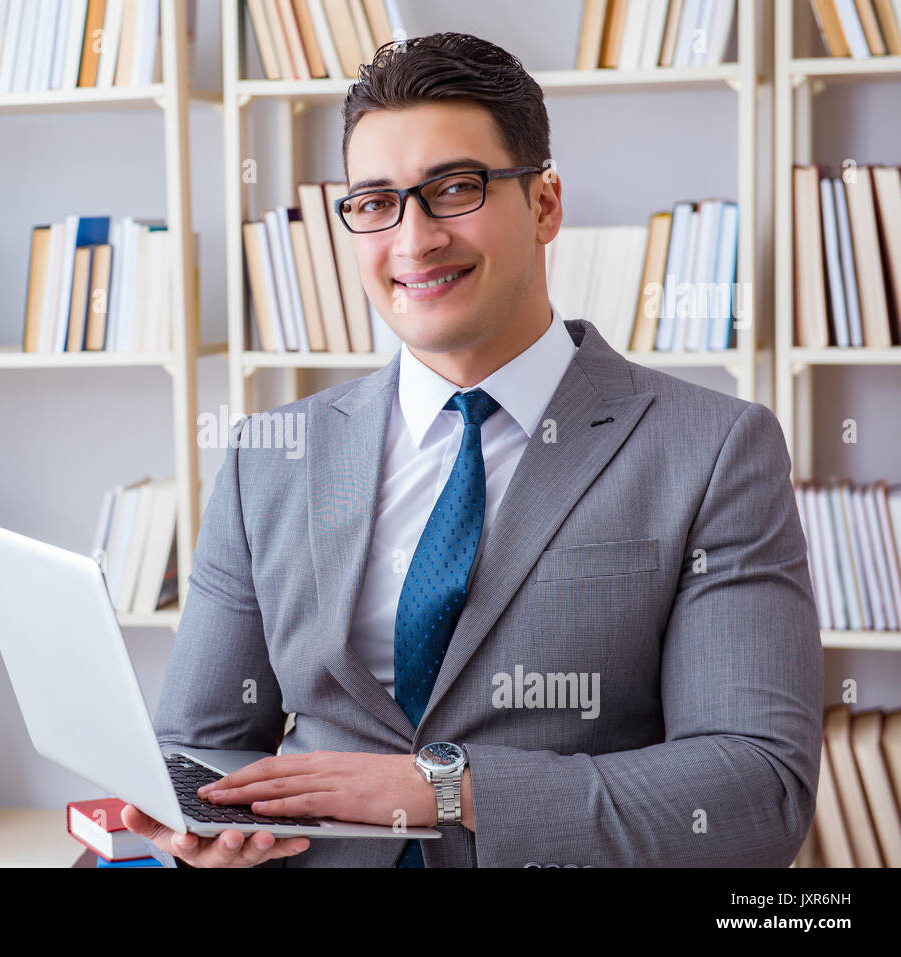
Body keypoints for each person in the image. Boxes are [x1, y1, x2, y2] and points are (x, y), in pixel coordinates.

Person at [121, 32, 822, 867]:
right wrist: (194, 827)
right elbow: (200, 745)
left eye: (454, 189)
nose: (413, 240)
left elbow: (755, 788)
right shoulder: (269, 455)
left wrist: (443, 788)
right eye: (376, 202)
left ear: (545, 204)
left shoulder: (713, 450)